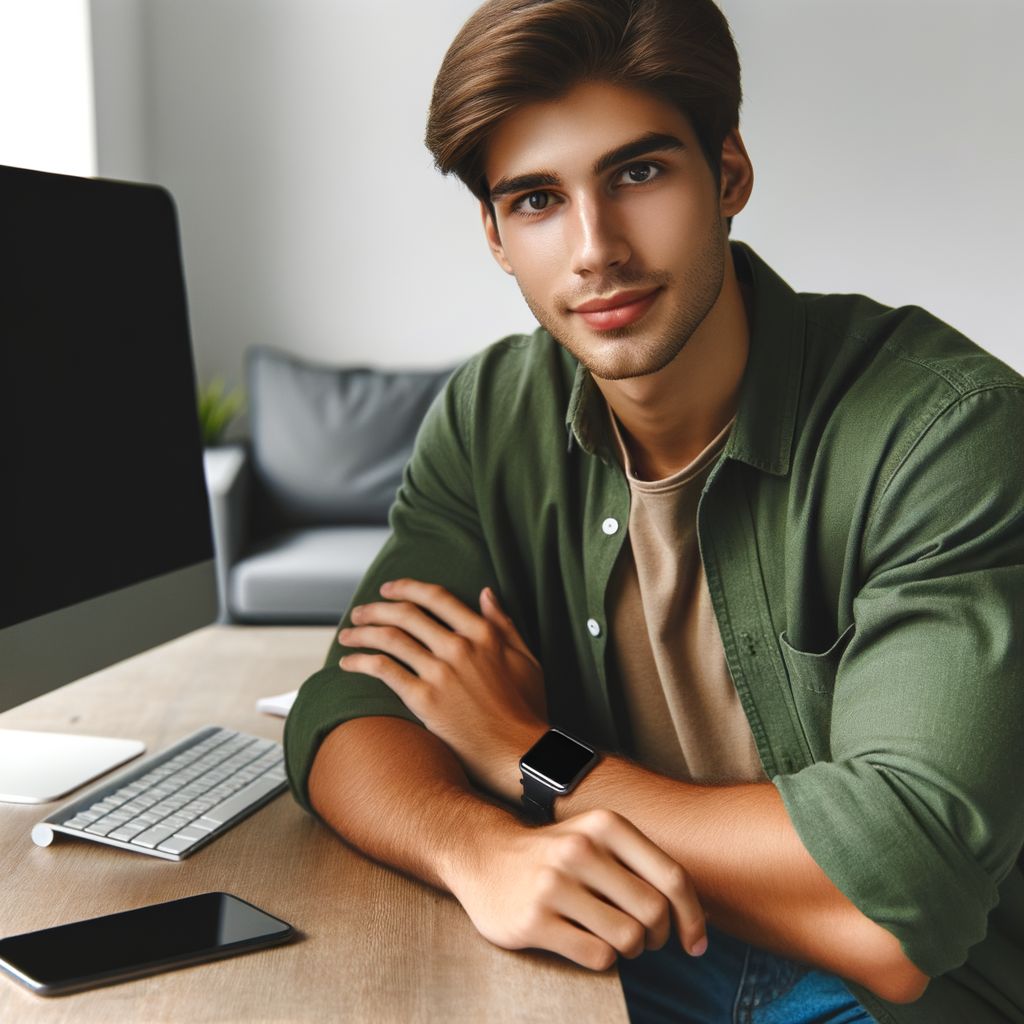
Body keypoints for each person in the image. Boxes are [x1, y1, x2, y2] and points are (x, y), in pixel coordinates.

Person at [283, 1, 1024, 1021]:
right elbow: (351, 706)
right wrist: (480, 847)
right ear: (495, 235)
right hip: (621, 951)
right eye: (538, 200)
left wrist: (525, 753)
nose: (595, 249)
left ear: (728, 175)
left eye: (638, 173)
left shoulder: (945, 428)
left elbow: (903, 902)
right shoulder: (492, 411)